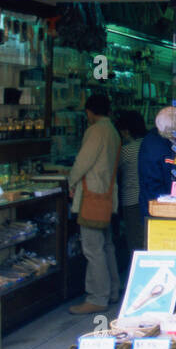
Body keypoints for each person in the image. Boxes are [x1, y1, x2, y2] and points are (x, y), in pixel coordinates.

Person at [68, 93, 121, 315]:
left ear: (90, 112)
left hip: (92, 198)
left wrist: (70, 181)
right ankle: (113, 290)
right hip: (107, 197)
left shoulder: (96, 131)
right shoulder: (112, 131)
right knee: (106, 245)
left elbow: (82, 162)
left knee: (93, 248)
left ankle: (97, 297)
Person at [139, 107, 176, 222]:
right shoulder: (154, 145)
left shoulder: (169, 140)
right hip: (160, 209)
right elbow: (153, 183)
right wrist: (169, 205)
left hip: (170, 204)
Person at [114, 110, 147, 272]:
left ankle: (135, 276)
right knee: (144, 238)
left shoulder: (126, 150)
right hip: (146, 198)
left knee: (134, 241)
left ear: (126, 131)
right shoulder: (148, 144)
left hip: (131, 200)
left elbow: (113, 170)